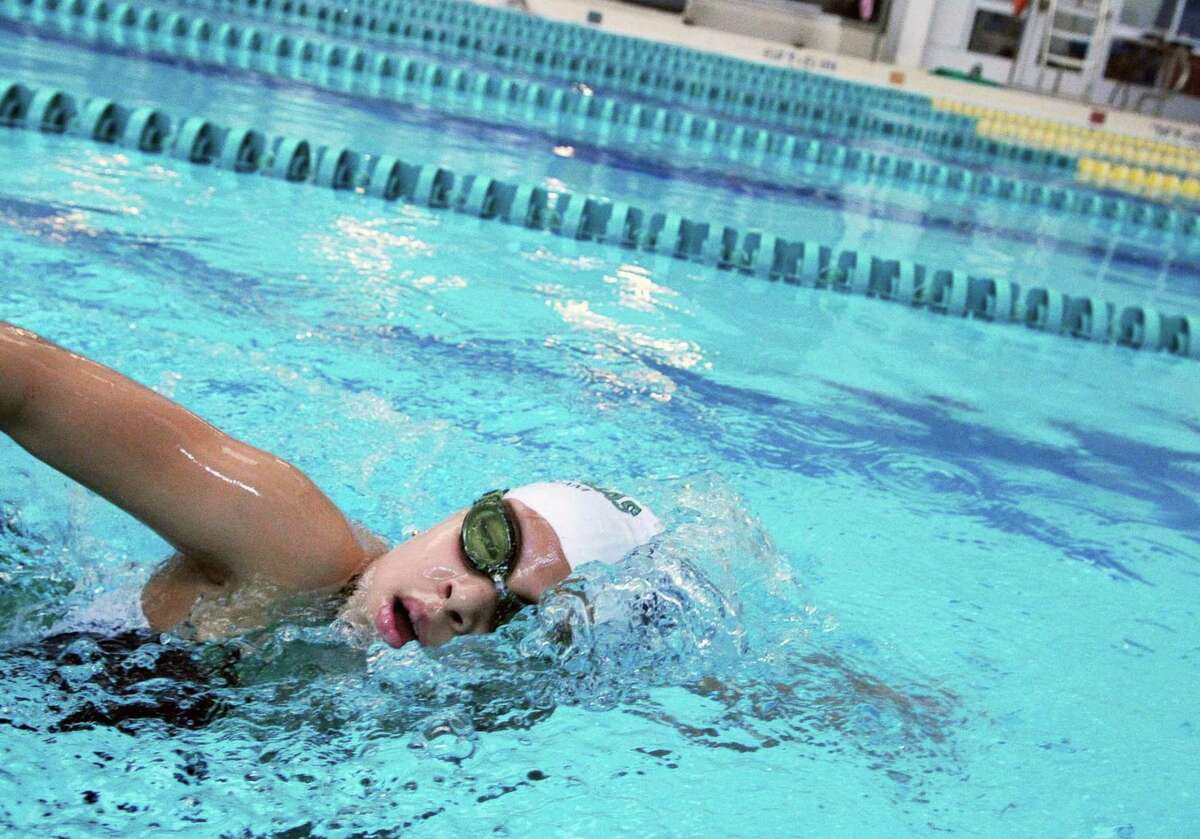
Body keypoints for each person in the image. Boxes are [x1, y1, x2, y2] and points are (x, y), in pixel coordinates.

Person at [0, 323, 663, 647]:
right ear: (446, 516)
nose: (464, 597)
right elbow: (25, 383)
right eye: (490, 541)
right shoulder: (295, 545)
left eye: (515, 609)